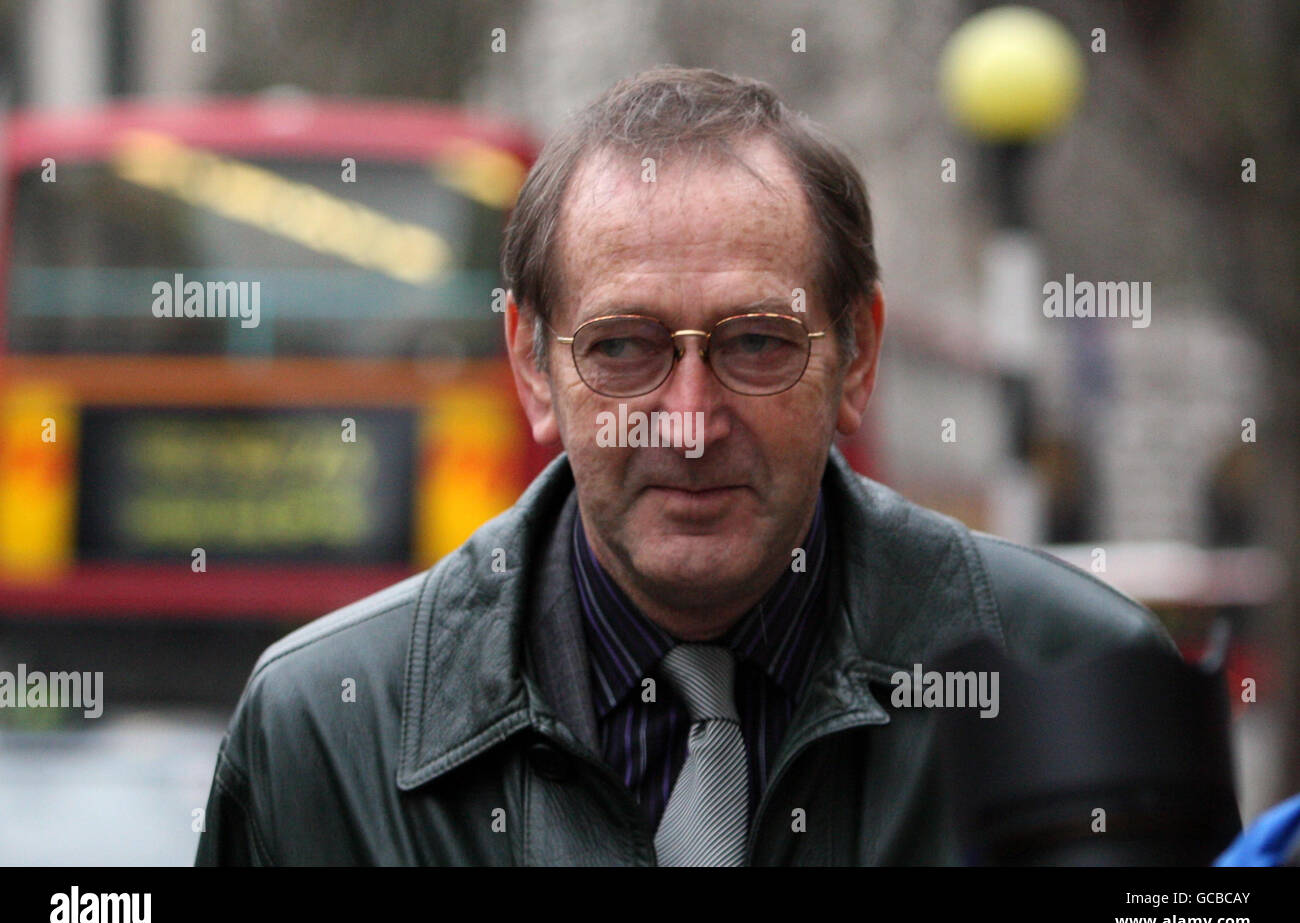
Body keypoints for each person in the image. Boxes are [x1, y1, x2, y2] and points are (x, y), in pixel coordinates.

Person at [196, 66, 1176, 866]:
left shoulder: (1080, 679)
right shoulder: (322, 731)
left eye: (756, 343)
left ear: (857, 357)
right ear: (533, 366)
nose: (691, 421)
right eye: (623, 348)